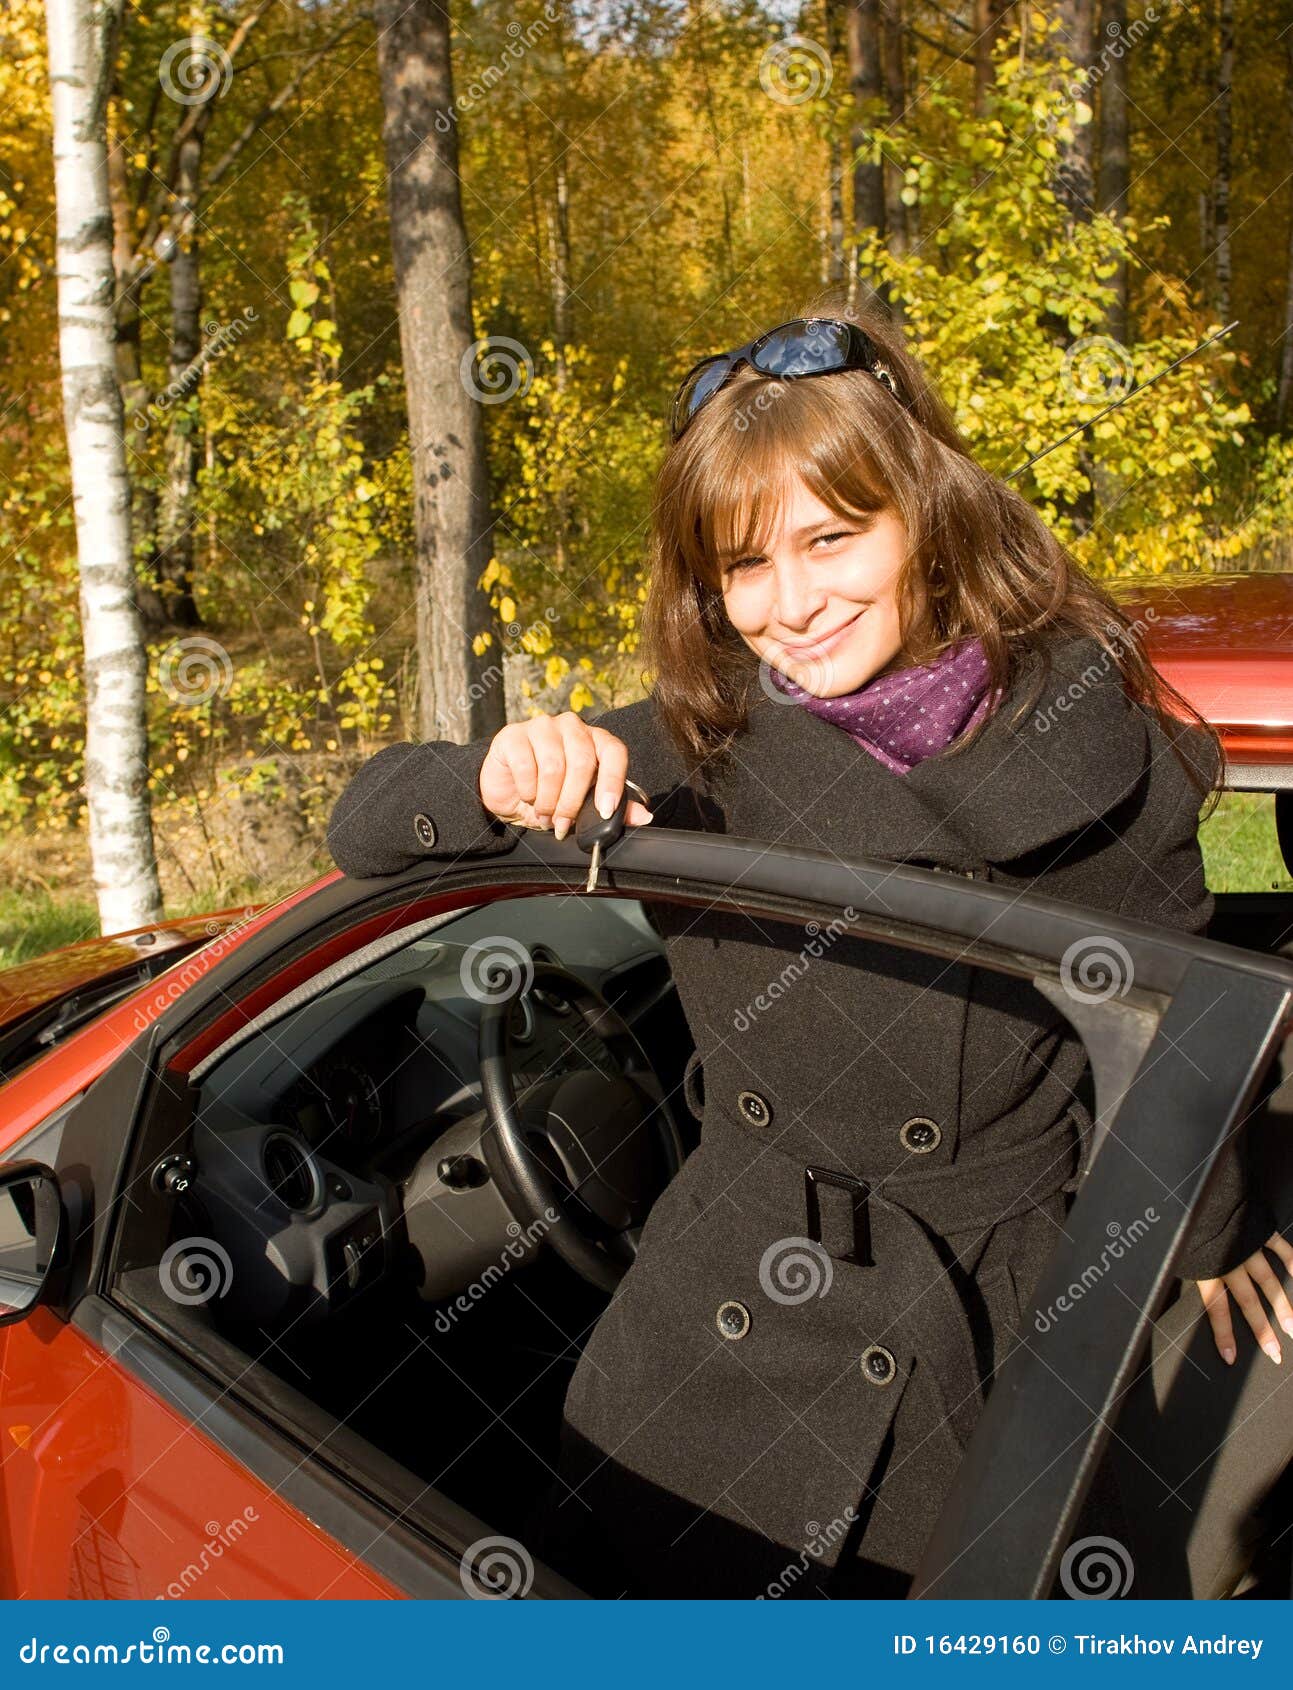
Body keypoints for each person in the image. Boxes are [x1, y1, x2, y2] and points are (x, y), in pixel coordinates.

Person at [326, 299, 1293, 1598]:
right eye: (743, 564)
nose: (791, 606)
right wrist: (501, 765)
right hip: (706, 1358)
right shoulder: (696, 743)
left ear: (926, 519)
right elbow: (368, 829)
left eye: (832, 539)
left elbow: (1173, 1030)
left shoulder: (1085, 747)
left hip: (975, 1356)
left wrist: (1214, 1236)